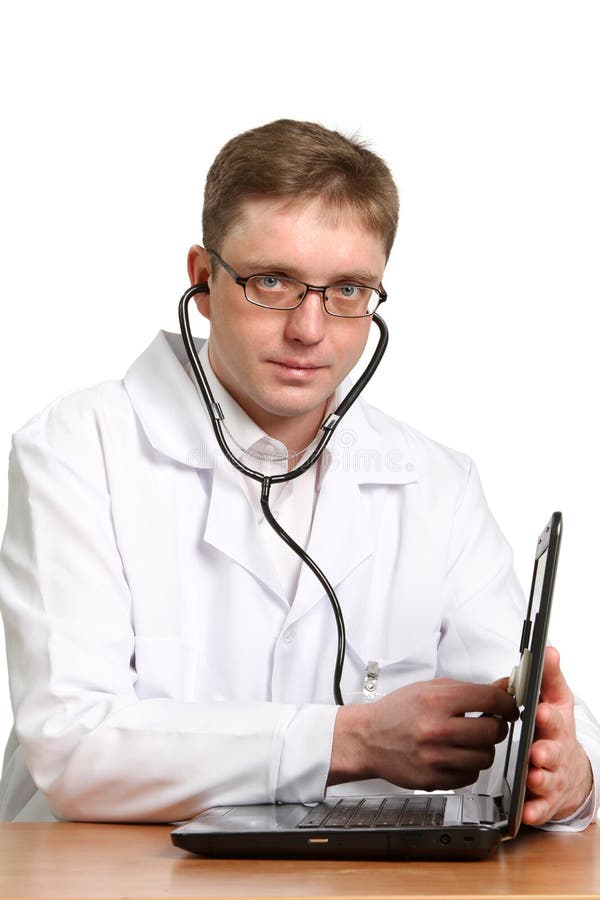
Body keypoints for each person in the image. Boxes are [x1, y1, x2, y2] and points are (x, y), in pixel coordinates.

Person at [0, 119, 598, 826]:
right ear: (202, 278)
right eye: (273, 282)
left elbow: (534, 729)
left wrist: (568, 776)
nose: (310, 331)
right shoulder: (79, 447)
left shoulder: (435, 485)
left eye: (347, 290)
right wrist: (352, 740)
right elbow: (73, 748)